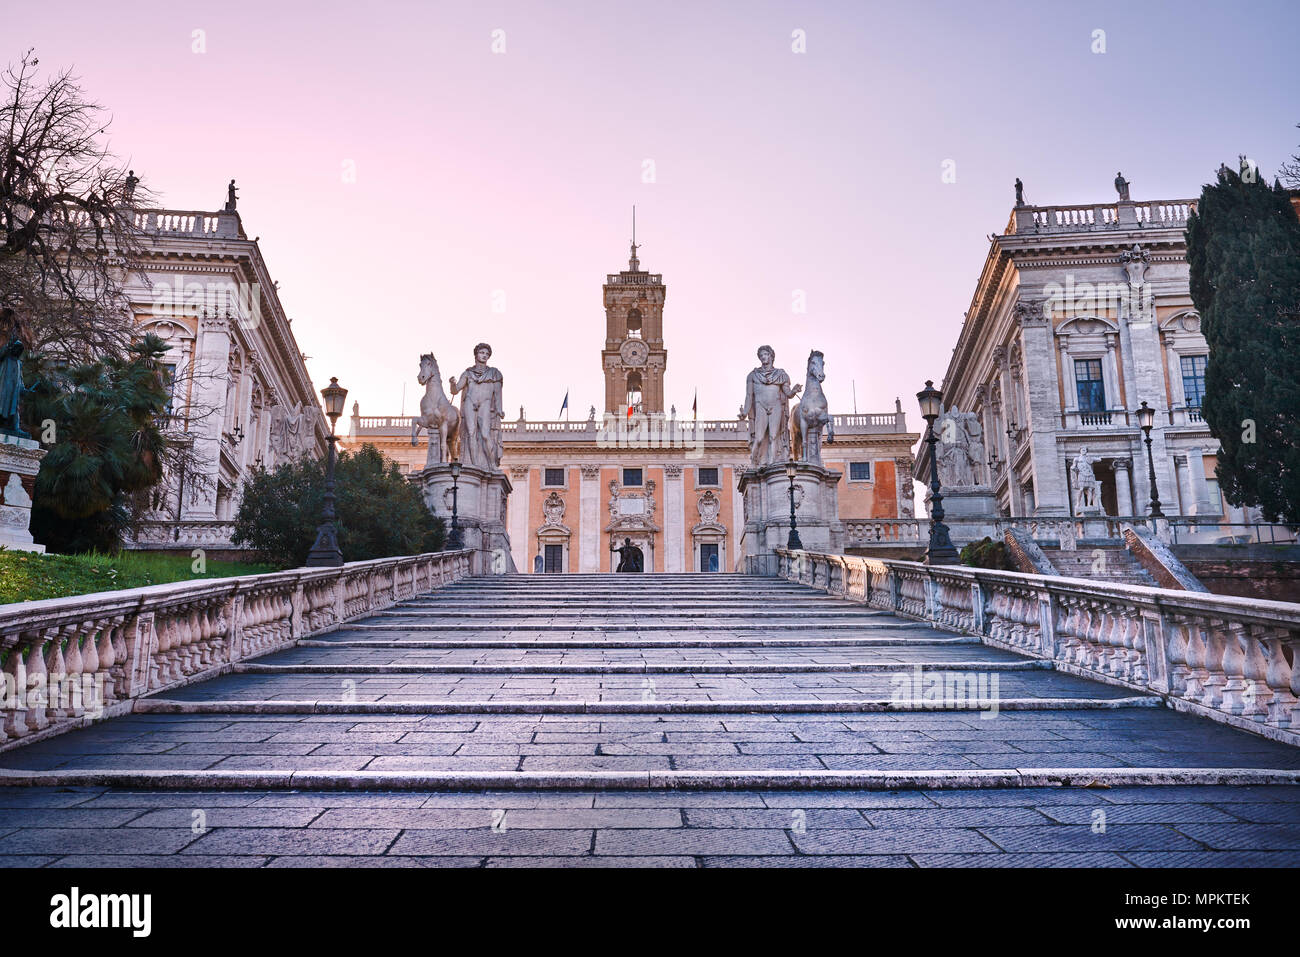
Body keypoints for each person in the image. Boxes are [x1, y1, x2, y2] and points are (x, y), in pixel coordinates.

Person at [448, 343, 504, 470]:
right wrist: (452, 383)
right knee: (471, 433)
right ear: (476, 354)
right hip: (469, 401)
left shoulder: (494, 373)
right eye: (482, 353)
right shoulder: (468, 373)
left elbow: (498, 393)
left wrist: (499, 409)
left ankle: (492, 465)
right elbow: (455, 390)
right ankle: (474, 466)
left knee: (485, 434)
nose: (484, 356)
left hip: (485, 403)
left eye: (487, 354)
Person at [743, 345, 801, 467]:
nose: (763, 357)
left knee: (773, 436)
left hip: (776, 406)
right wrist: (744, 412)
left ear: (771, 356)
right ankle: (754, 462)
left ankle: (771, 464)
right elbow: (749, 396)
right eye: (761, 355)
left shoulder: (781, 374)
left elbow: (788, 393)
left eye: (766, 354)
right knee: (758, 438)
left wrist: (794, 391)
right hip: (760, 406)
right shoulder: (753, 375)